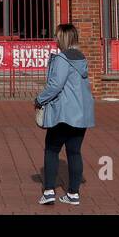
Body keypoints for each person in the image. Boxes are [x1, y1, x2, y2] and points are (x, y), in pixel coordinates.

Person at [34, 23, 95, 206]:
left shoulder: (62, 59)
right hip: (82, 114)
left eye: (56, 36)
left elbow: (55, 85)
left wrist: (39, 99)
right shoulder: (81, 58)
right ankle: (73, 193)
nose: (54, 39)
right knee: (74, 152)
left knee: (52, 149)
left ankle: (49, 190)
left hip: (64, 113)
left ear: (62, 38)